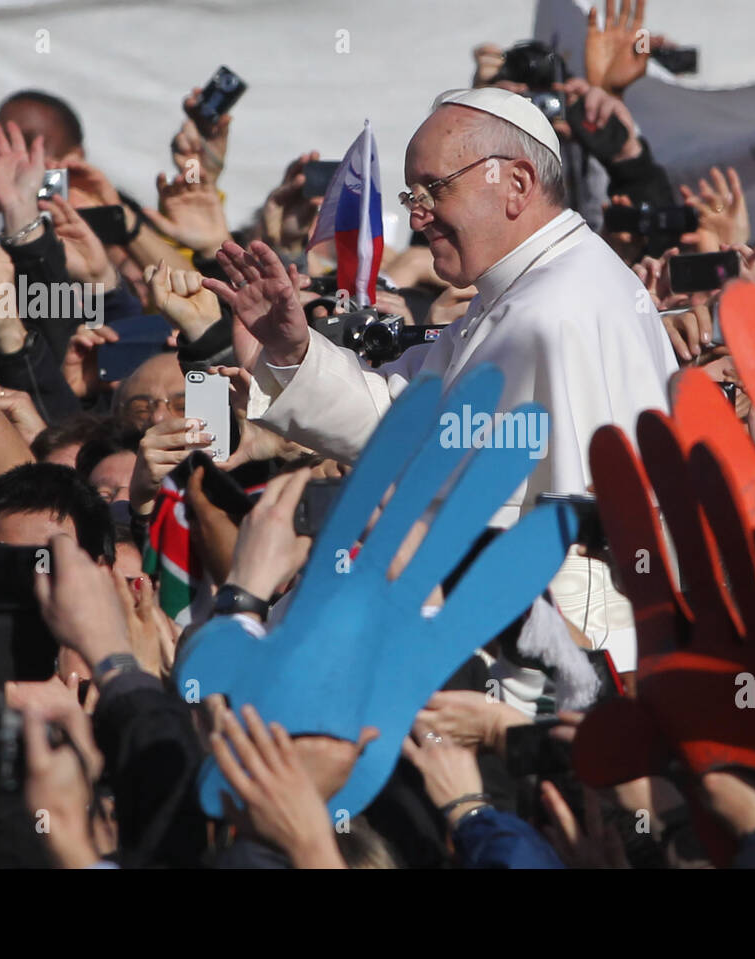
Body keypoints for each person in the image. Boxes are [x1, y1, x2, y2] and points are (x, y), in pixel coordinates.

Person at [211, 86, 678, 672]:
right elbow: (409, 425)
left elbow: (580, 544)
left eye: (435, 188)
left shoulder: (557, 308)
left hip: (549, 665)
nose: (415, 213)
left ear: (517, 183)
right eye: (412, 192)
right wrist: (293, 351)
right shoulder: (520, 289)